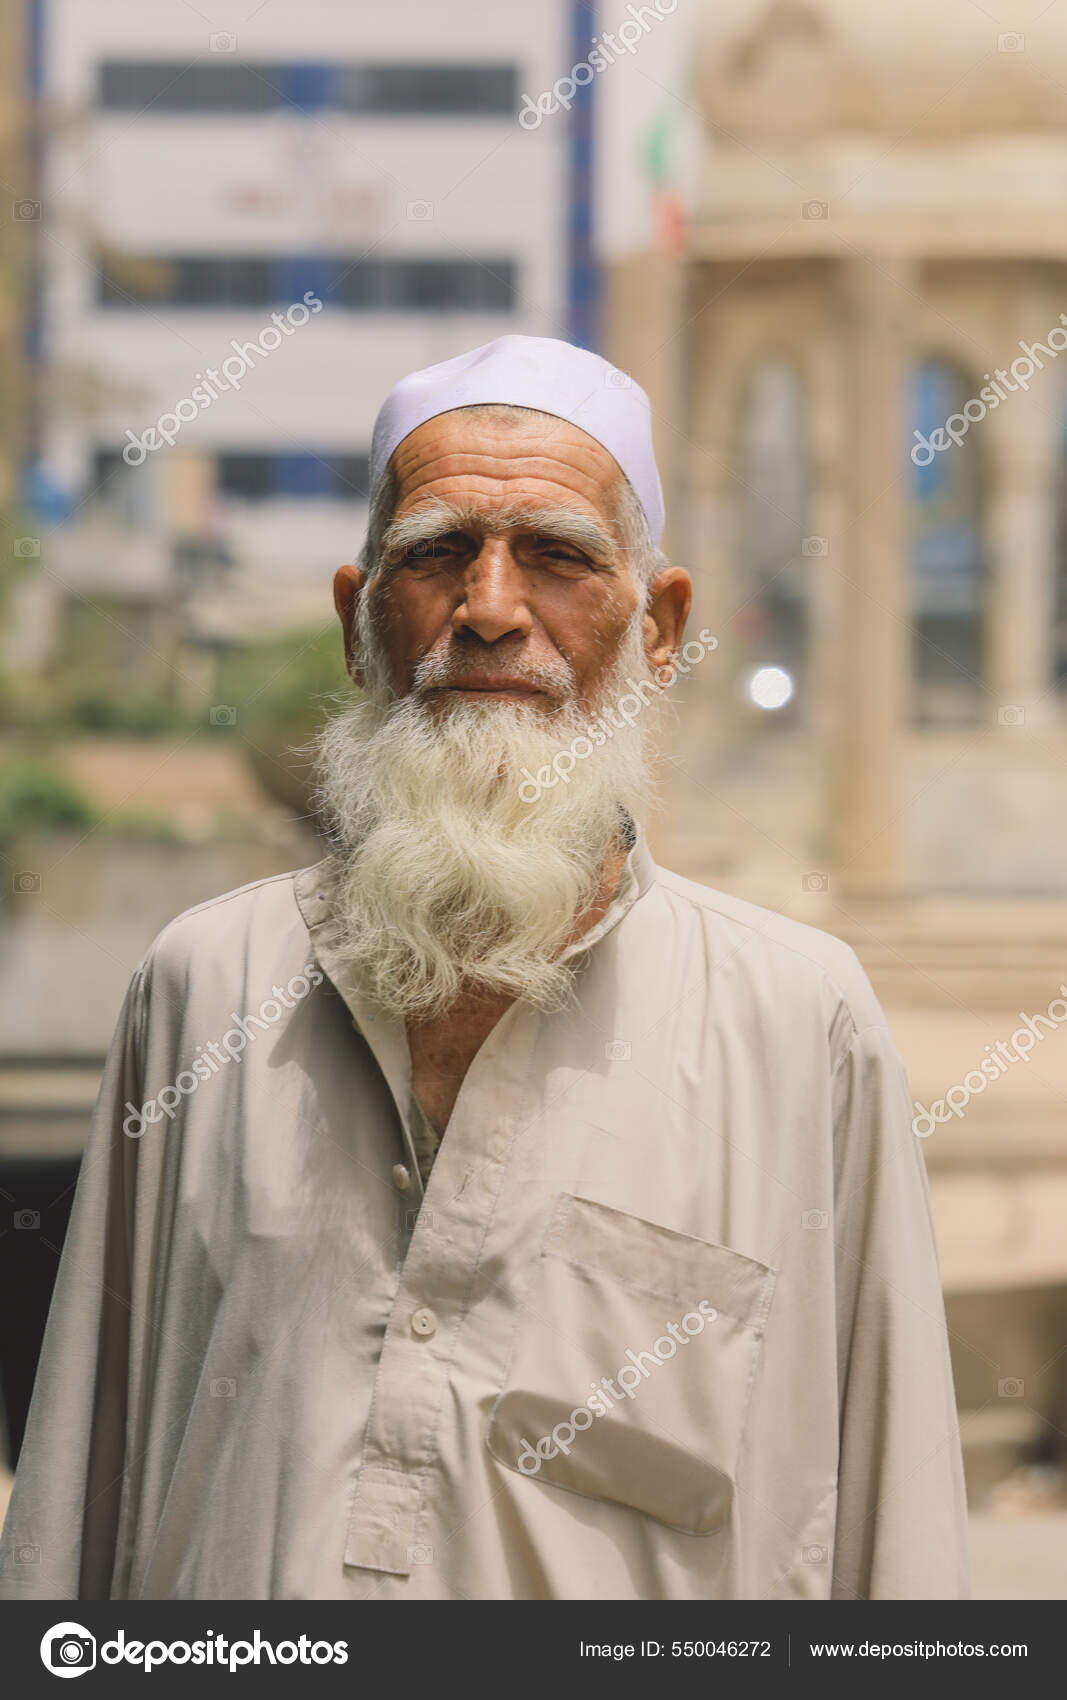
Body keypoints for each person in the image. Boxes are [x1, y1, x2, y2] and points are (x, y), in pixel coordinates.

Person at [0, 335, 970, 1600]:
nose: (493, 608)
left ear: (660, 624)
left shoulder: (795, 1022)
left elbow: (894, 1530)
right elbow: (78, 1496)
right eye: (437, 554)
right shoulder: (206, 987)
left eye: (559, 556)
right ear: (357, 620)